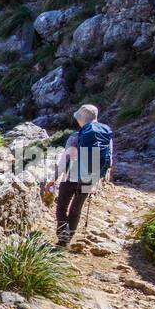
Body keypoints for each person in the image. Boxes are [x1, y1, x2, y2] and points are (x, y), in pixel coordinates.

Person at [53, 103, 113, 247]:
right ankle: (68, 239)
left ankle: (62, 238)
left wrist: (53, 178)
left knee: (62, 207)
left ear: (81, 119)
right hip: (90, 178)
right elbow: (109, 160)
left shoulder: (75, 137)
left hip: (70, 177)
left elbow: (64, 161)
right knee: (76, 209)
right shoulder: (106, 136)